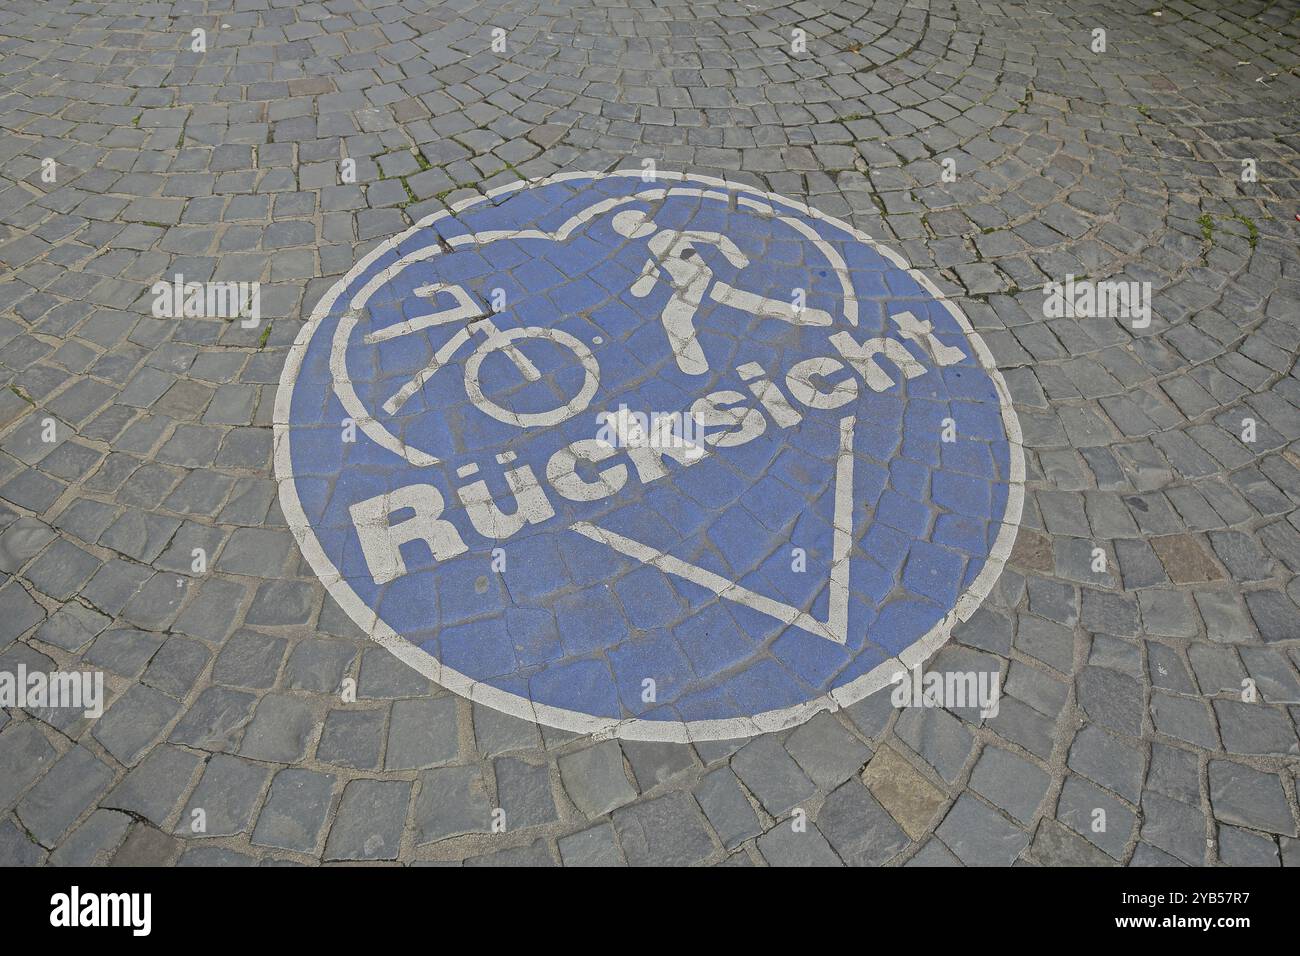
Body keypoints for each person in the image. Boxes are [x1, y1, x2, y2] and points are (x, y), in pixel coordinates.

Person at [611, 209, 832, 375]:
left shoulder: (663, 237)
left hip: (694, 281)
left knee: (673, 317)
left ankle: (694, 366)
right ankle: (804, 315)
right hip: (699, 280)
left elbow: (715, 238)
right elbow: (648, 280)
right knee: (743, 300)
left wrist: (736, 259)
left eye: (630, 227)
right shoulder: (657, 244)